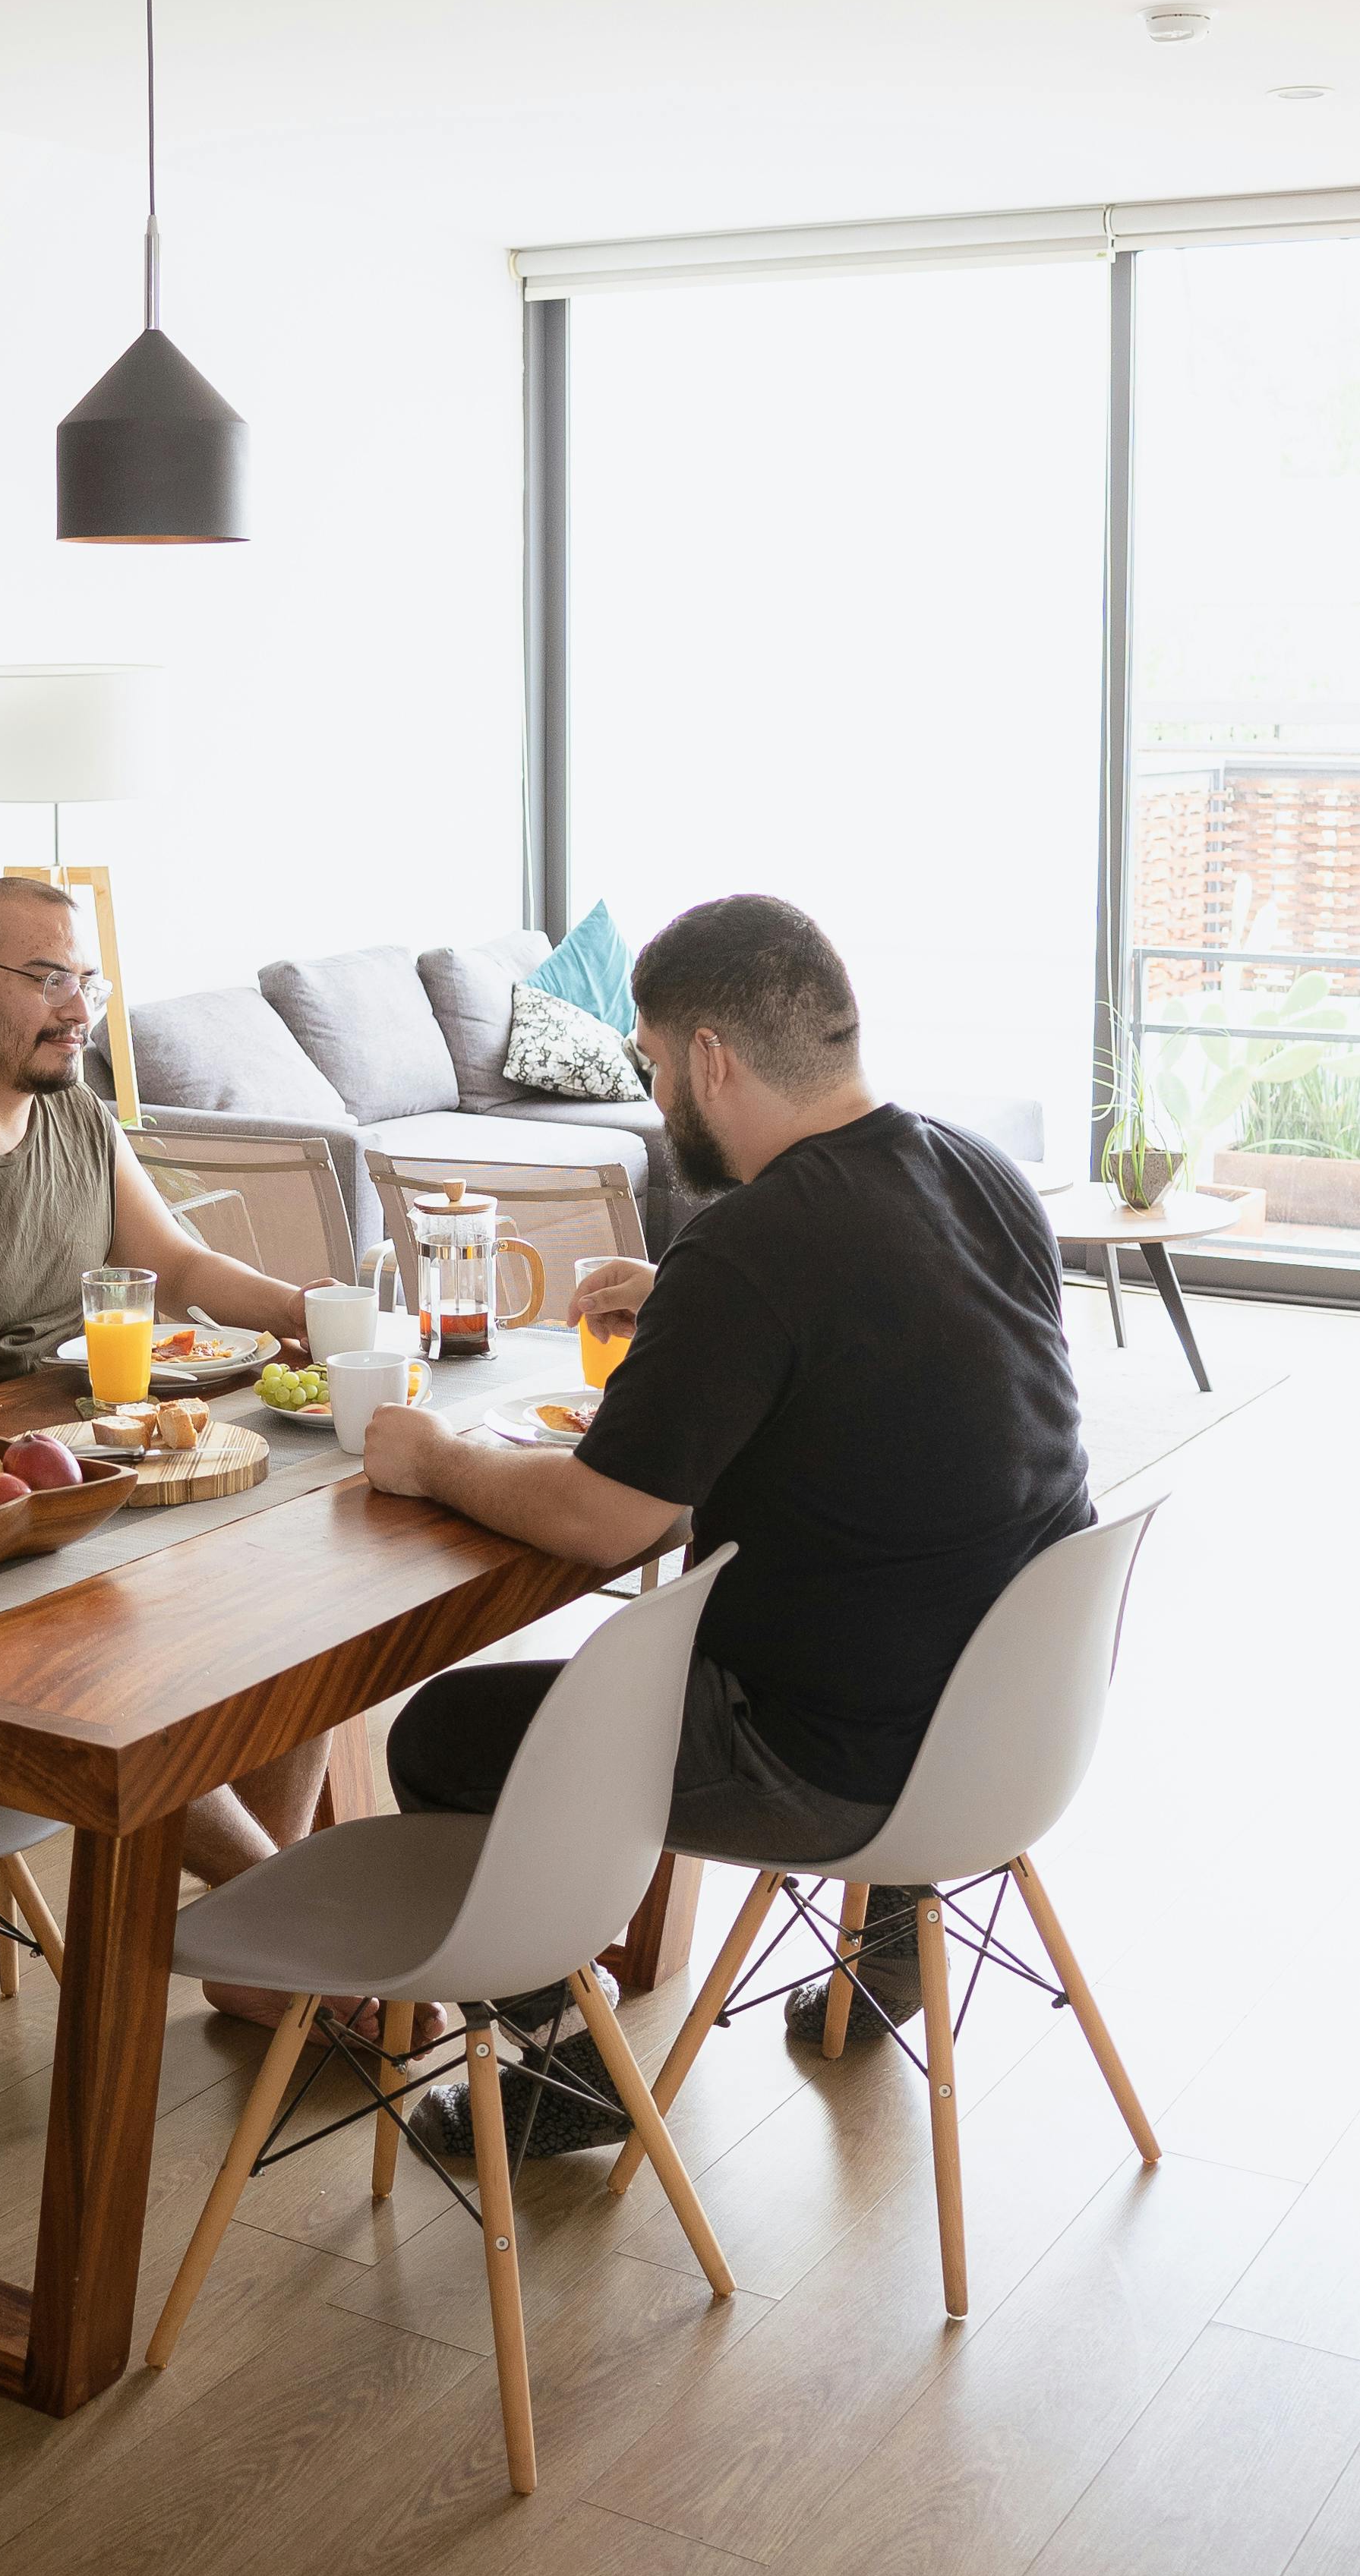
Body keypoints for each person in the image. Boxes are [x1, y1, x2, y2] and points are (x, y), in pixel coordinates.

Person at [364, 892, 1092, 2152]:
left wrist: (434, 1456)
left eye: (649, 1065)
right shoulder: (978, 1173)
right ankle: (887, 1947)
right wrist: (687, 1304)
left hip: (823, 1759)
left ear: (710, 1057)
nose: (655, 1099)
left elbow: (601, 1519)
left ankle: (566, 2068)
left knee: (439, 1734)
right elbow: (914, 1381)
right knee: (894, 1577)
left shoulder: (753, 1243)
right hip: (1010, 1723)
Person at [0, 874, 334, 2029]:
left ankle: (259, 1951)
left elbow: (177, 1268)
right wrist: (56, 1464)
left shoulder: (75, 1115)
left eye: (84, 979)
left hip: (95, 1476)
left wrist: (304, 1307)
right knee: (122, 1697)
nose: (77, 1005)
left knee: (310, 1609)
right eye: (48, 978)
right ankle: (289, 1924)